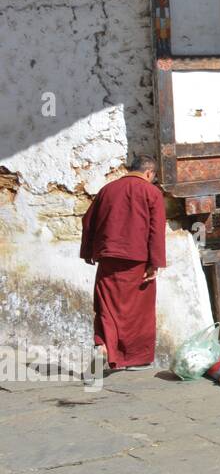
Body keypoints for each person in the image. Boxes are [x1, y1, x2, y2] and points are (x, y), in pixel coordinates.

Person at [79, 154, 166, 371]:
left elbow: (88, 220)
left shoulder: (107, 190)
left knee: (107, 305)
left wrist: (89, 251)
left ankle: (103, 344)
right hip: (138, 262)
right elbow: (156, 230)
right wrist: (155, 263)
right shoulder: (151, 192)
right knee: (139, 312)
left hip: (108, 258)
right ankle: (135, 359)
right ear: (149, 173)